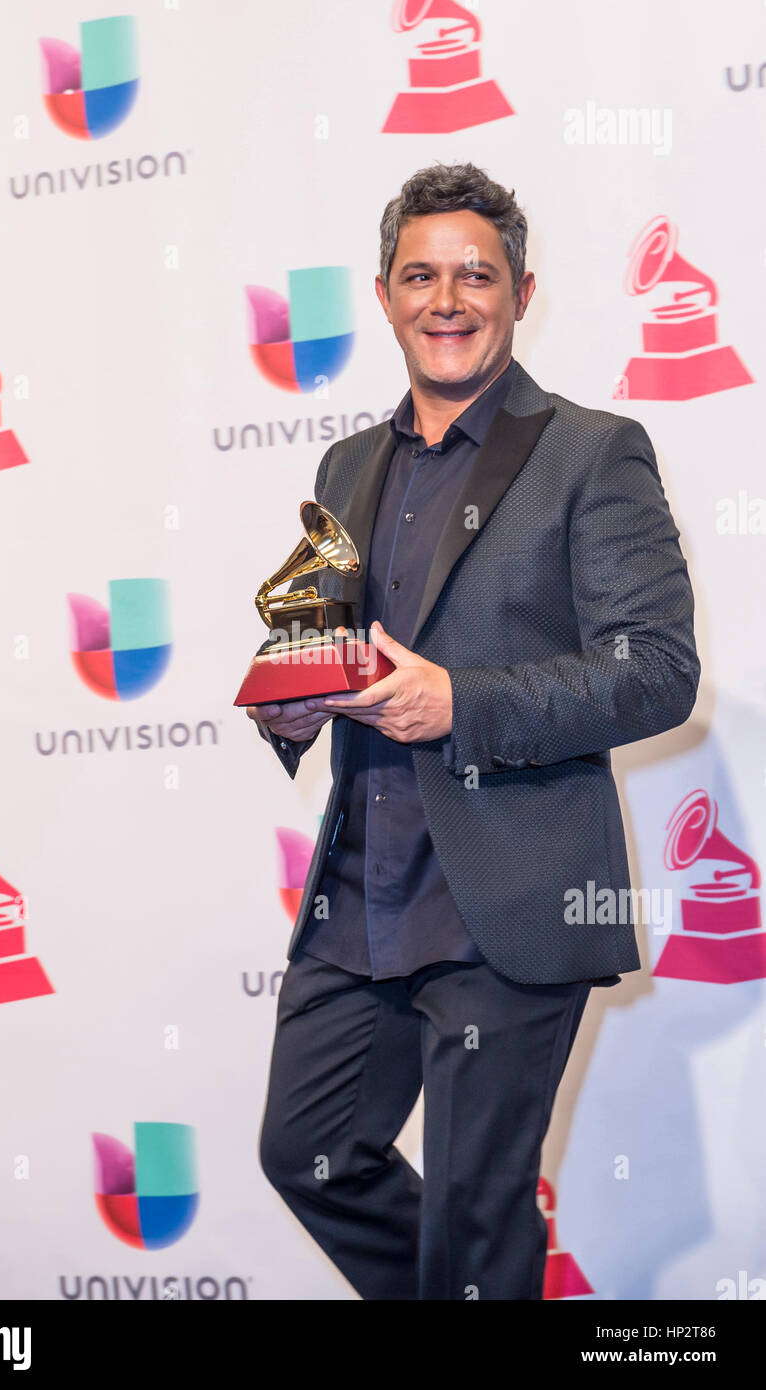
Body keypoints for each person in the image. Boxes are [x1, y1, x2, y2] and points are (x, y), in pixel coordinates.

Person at [246, 161, 700, 1300]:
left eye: (474, 275)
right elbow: (344, 643)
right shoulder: (345, 465)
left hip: (510, 888)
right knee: (307, 1152)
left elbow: (656, 671)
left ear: (521, 291)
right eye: (420, 275)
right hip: (363, 891)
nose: (446, 299)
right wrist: (297, 688)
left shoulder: (590, 450)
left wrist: (464, 701)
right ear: (385, 295)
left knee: (474, 1203)